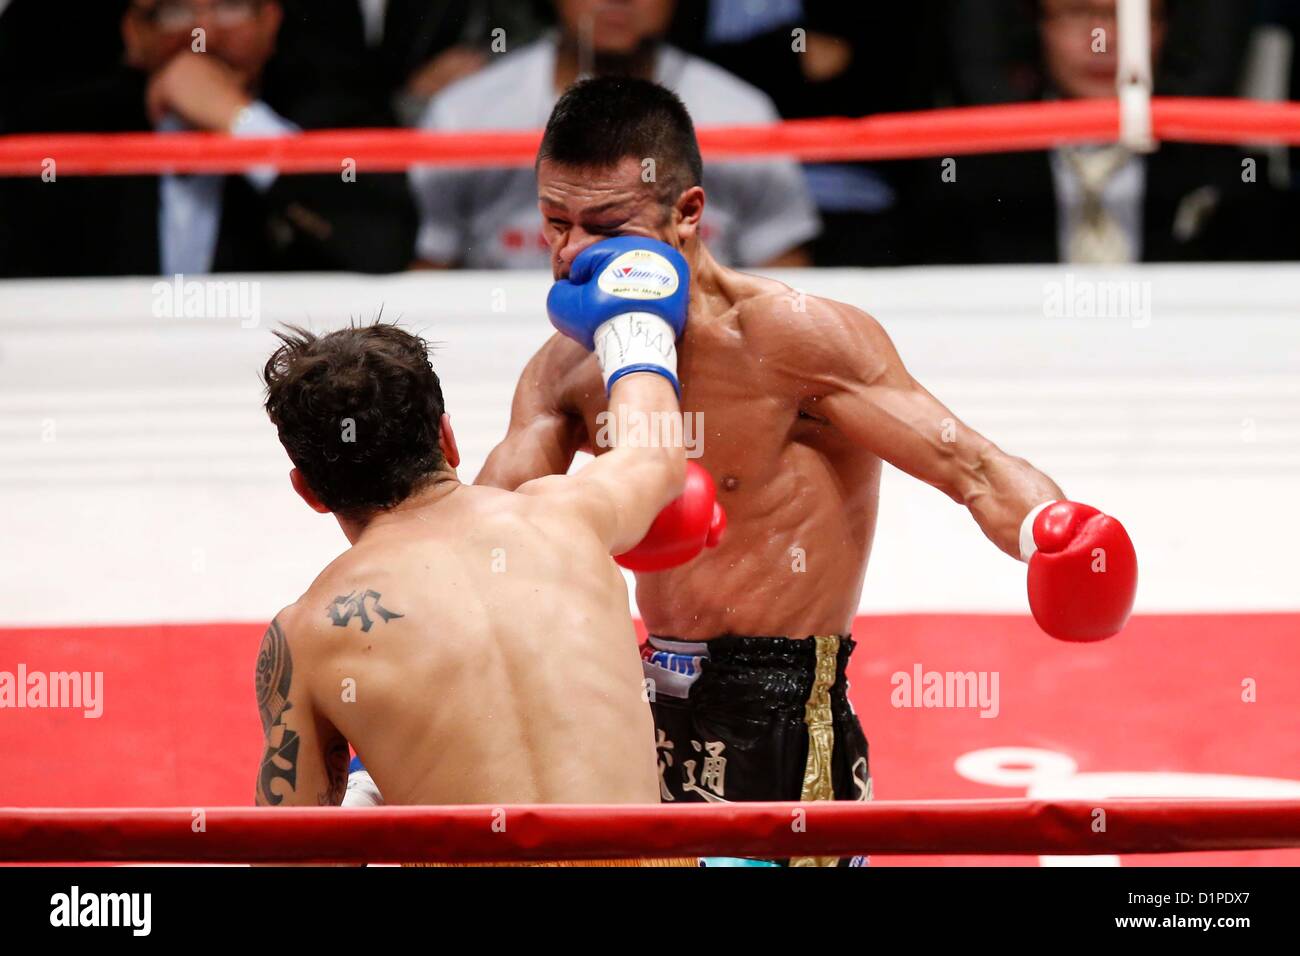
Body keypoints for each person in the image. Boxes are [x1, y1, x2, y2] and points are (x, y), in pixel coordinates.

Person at [467, 76, 1138, 866]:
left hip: (781, 708)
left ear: (687, 214)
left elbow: (974, 465)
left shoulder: (791, 339)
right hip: (638, 701)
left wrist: (1050, 533)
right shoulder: (567, 368)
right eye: (554, 224)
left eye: (604, 225)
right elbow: (478, 541)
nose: (572, 254)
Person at [255, 236, 717, 866]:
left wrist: (366, 802)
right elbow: (655, 454)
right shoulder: (567, 517)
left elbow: (293, 862)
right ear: (448, 438)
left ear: (307, 490)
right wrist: (633, 321)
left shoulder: (305, 636)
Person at [407, 0, 819, 269]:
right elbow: (427, 265)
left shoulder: (741, 111)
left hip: (696, 353)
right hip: (502, 356)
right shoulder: (466, 111)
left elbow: (784, 269)